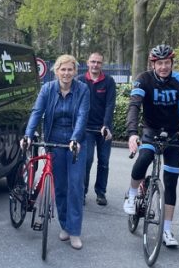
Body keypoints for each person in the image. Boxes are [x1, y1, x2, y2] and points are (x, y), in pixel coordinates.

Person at [123, 45, 179, 248]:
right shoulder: (143, 79)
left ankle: (167, 230)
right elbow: (134, 106)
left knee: (170, 182)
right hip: (151, 130)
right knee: (144, 157)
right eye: (160, 63)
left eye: (167, 63)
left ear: (172, 63)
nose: (164, 67)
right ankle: (132, 195)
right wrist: (132, 133)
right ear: (153, 64)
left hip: (174, 134)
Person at [22, 54, 90, 250]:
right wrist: (28, 135)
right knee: (60, 187)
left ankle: (74, 231)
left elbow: (82, 116)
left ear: (75, 72)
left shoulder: (83, 89)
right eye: (63, 69)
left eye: (70, 69)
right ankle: (65, 225)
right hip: (55, 140)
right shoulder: (47, 89)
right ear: (57, 71)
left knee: (75, 186)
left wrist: (75, 138)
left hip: (76, 142)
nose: (66, 73)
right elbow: (37, 112)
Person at [78, 52, 116, 206]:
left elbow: (110, 105)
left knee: (104, 162)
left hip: (104, 129)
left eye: (98, 62)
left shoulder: (109, 81)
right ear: (88, 62)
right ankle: (82, 192)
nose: (95, 65)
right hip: (86, 128)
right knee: (86, 161)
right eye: (93, 61)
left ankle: (101, 193)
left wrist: (106, 125)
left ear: (102, 64)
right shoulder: (80, 80)